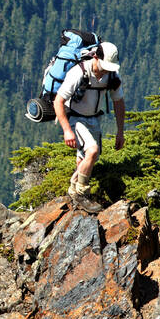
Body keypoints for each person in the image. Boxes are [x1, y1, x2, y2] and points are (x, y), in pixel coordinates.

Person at [53, 41, 125, 211]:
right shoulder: (79, 72)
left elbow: (119, 102)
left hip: (93, 119)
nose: (107, 69)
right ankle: (81, 193)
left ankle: (73, 188)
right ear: (95, 57)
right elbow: (59, 101)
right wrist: (67, 130)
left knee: (87, 158)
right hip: (74, 118)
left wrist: (120, 132)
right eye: (105, 64)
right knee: (92, 150)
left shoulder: (113, 76)